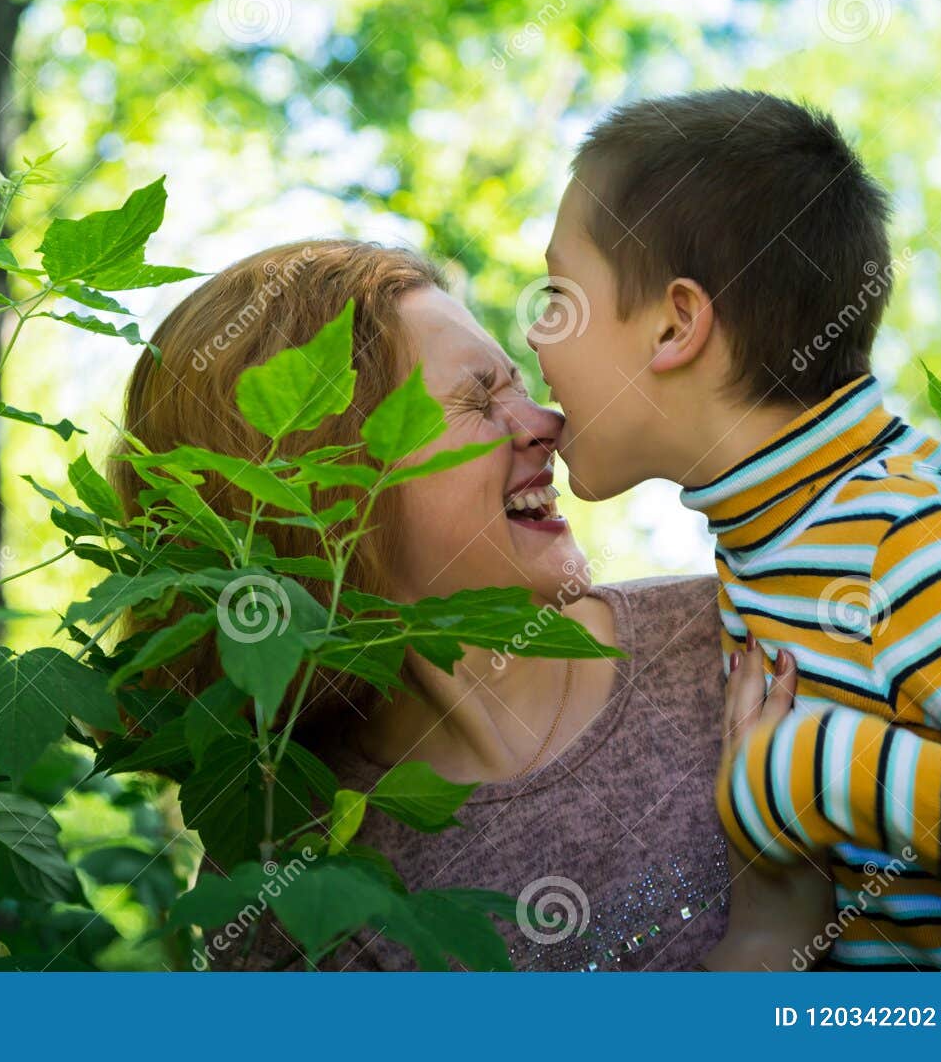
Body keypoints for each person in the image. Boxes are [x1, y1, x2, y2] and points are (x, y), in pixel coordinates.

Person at [530, 88, 941, 969]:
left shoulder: (912, 534)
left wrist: (828, 769)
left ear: (676, 322)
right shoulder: (771, 540)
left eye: (558, 296)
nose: (537, 338)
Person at [114, 239, 832, 970]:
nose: (547, 421)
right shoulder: (289, 877)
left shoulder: (741, 639)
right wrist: (770, 938)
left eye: (520, 385)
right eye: (482, 398)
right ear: (332, 482)